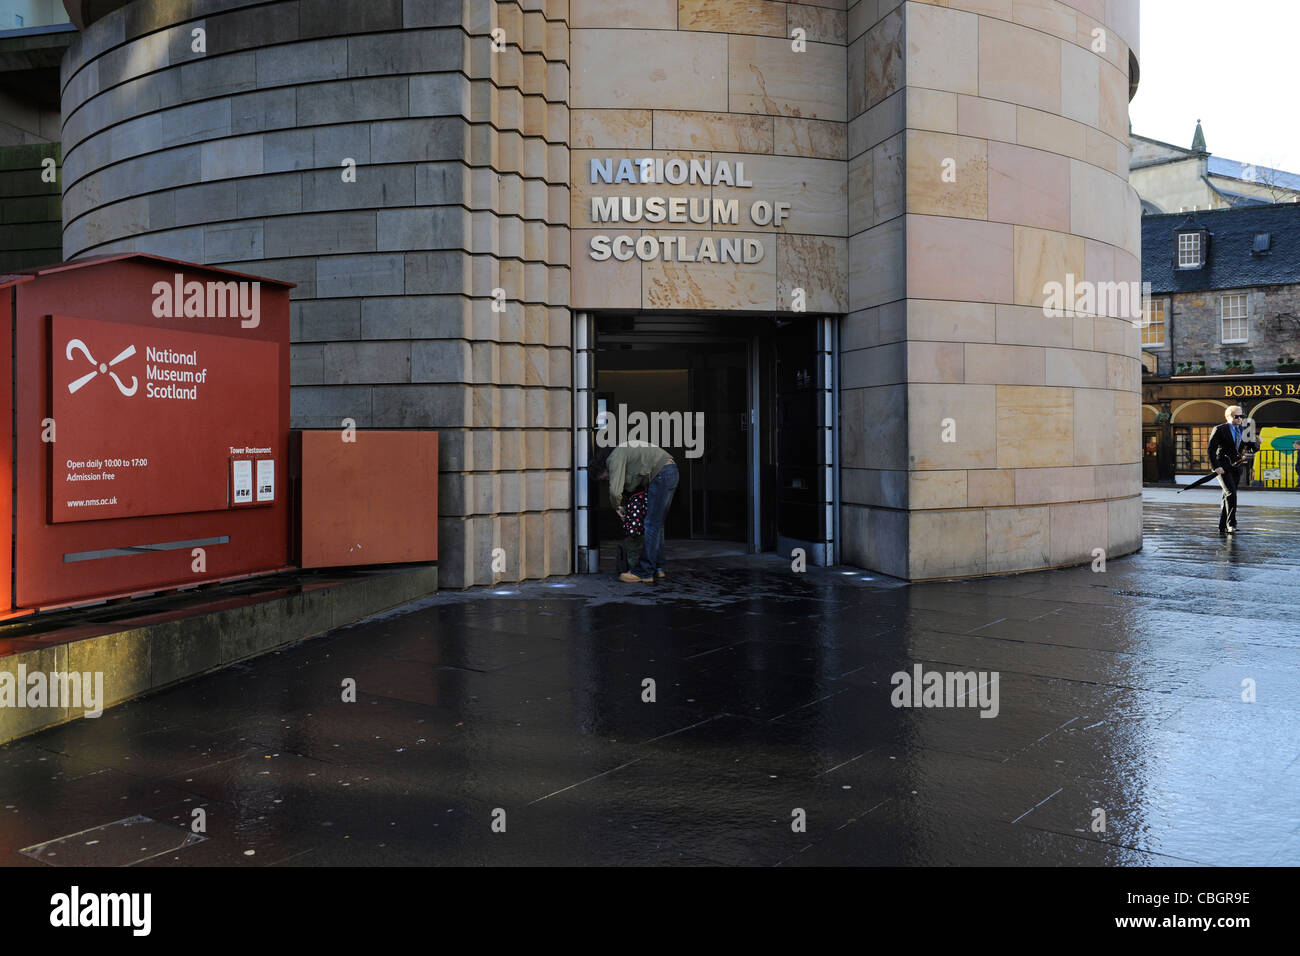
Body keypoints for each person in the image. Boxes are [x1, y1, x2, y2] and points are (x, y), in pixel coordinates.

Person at [596, 443, 678, 583]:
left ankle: (644, 572)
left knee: (651, 524)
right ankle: (659, 567)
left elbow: (615, 491)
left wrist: (617, 507)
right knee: (656, 524)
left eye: (604, 478)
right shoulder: (624, 451)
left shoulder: (614, 458)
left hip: (662, 474)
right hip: (669, 471)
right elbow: (634, 479)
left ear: (604, 467)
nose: (607, 480)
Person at [1207, 405, 1259, 533]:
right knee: (1231, 493)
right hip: (1222, 467)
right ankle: (1231, 523)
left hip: (1236, 467)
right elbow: (1211, 450)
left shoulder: (1244, 430)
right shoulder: (1219, 429)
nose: (1241, 419)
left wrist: (1258, 442)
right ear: (1229, 416)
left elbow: (1253, 448)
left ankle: (1222, 525)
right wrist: (1216, 467)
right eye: (1237, 416)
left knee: (1227, 496)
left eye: (1242, 416)